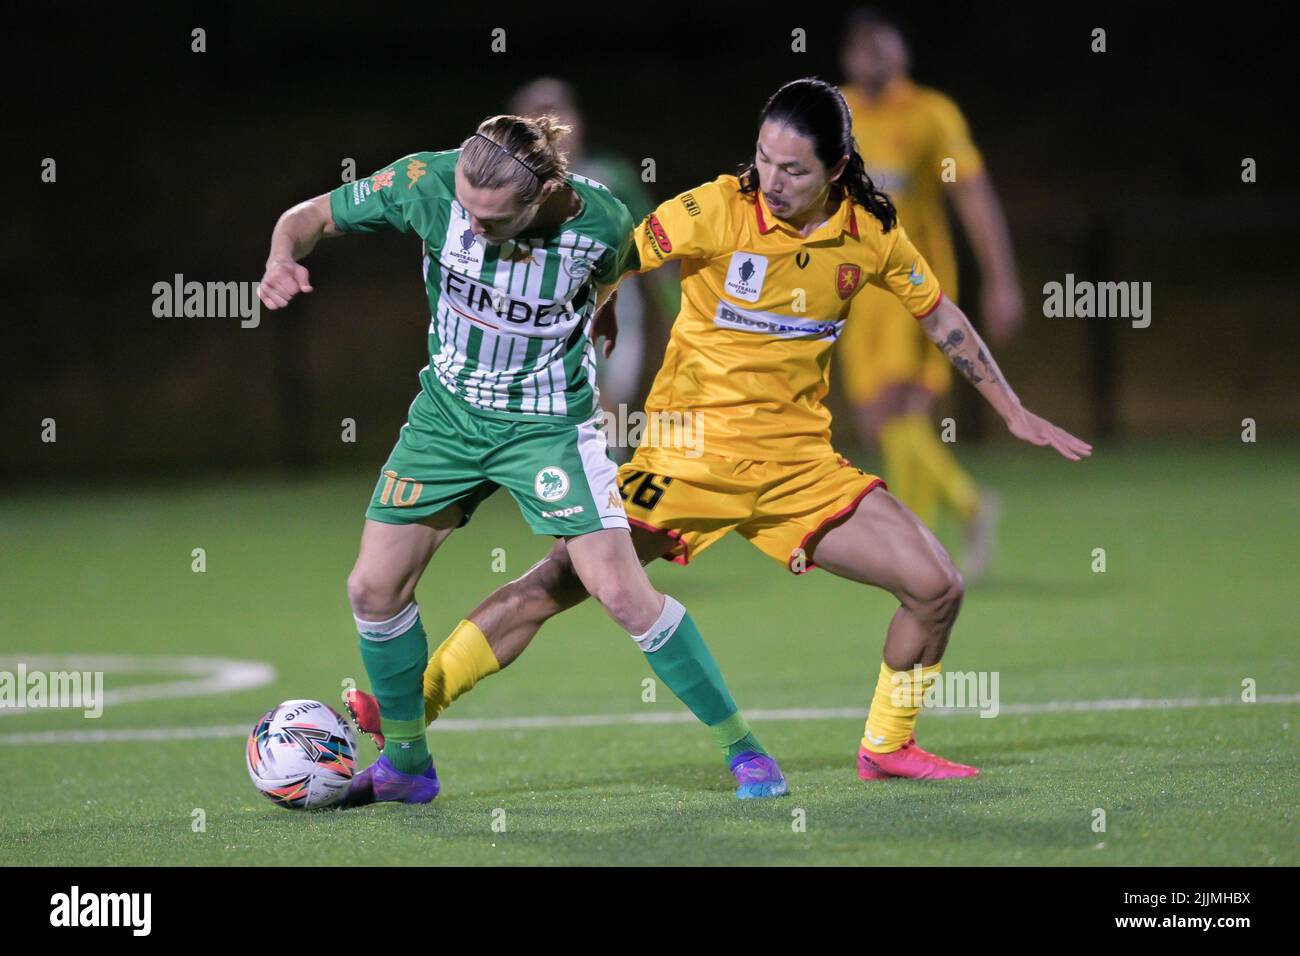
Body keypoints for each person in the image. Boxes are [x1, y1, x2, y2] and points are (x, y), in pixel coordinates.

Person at [348, 78, 1090, 784]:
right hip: (684, 459)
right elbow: (612, 252)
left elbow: (940, 315)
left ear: (837, 167)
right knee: (557, 585)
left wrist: (1012, 408)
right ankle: (412, 707)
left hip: (798, 469)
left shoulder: (871, 233)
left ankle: (888, 743)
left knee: (937, 587)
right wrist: (604, 305)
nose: (771, 178)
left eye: (794, 169)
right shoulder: (713, 209)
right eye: (764, 158)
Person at [258, 113, 787, 805]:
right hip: (446, 419)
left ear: (540, 195)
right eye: (467, 214)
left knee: (624, 594)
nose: (473, 227)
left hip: (548, 429)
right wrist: (280, 256)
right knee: (372, 590)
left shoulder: (599, 219)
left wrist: (605, 306)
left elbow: (615, 267)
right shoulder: (427, 181)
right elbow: (312, 216)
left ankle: (745, 750)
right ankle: (409, 767)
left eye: (492, 219)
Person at [836, 9, 1025, 577]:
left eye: (885, 49)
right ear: (849, 58)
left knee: (901, 405)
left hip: (914, 283)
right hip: (852, 289)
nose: (876, 60)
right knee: (877, 419)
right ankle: (966, 507)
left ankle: (918, 545)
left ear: (903, 56)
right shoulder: (835, 113)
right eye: (865, 50)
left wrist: (1002, 279)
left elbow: (973, 195)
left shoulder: (930, 115)